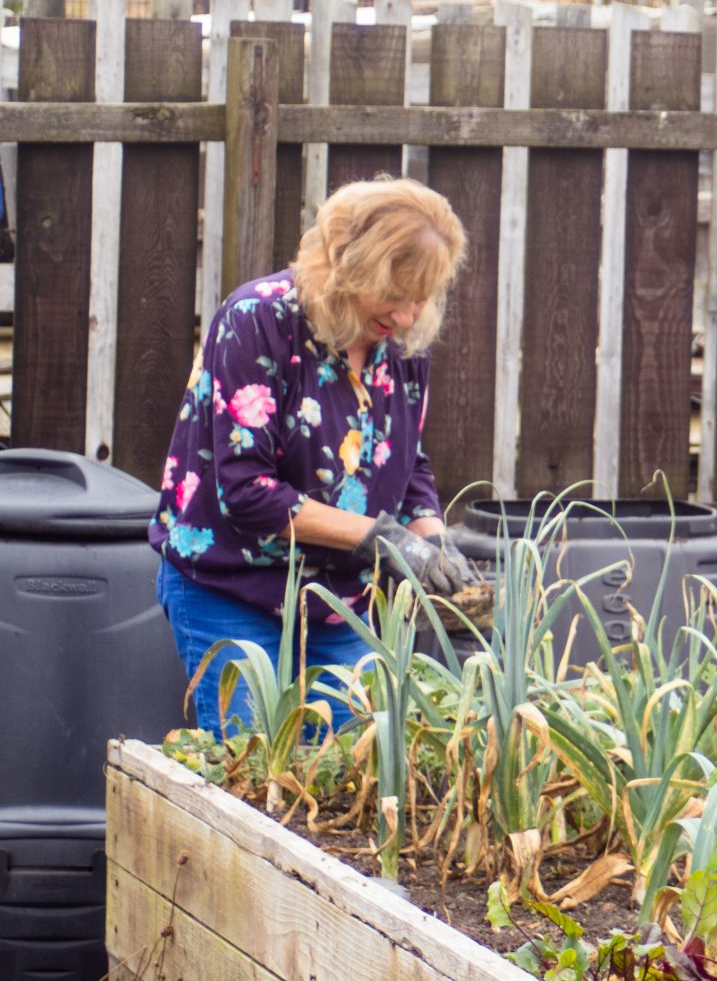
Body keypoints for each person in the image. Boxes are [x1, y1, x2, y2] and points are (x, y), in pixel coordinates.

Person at [153, 178, 481, 737]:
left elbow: (404, 462)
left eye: (421, 297)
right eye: (394, 293)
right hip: (233, 586)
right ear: (347, 267)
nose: (407, 316)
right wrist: (384, 539)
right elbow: (246, 492)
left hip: (341, 602)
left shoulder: (399, 346)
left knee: (352, 767)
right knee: (258, 766)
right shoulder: (257, 319)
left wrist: (433, 542)